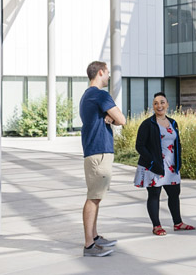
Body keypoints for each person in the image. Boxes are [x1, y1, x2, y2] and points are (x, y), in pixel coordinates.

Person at [79, 61, 126, 257]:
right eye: (107, 73)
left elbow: (112, 118)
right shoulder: (100, 94)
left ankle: (95, 237)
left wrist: (109, 118)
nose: (108, 77)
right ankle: (89, 245)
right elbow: (122, 120)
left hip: (95, 151)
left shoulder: (86, 96)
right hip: (99, 152)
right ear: (100, 72)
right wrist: (112, 118)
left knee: (96, 197)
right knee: (93, 197)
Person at [134, 92, 195, 235]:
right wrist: (153, 161)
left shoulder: (173, 123)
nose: (159, 105)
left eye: (162, 102)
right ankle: (156, 226)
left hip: (172, 166)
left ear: (167, 105)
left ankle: (178, 223)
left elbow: (177, 142)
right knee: (154, 195)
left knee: (174, 194)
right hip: (154, 166)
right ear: (153, 106)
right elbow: (140, 146)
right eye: (156, 103)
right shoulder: (147, 124)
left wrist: (178, 161)